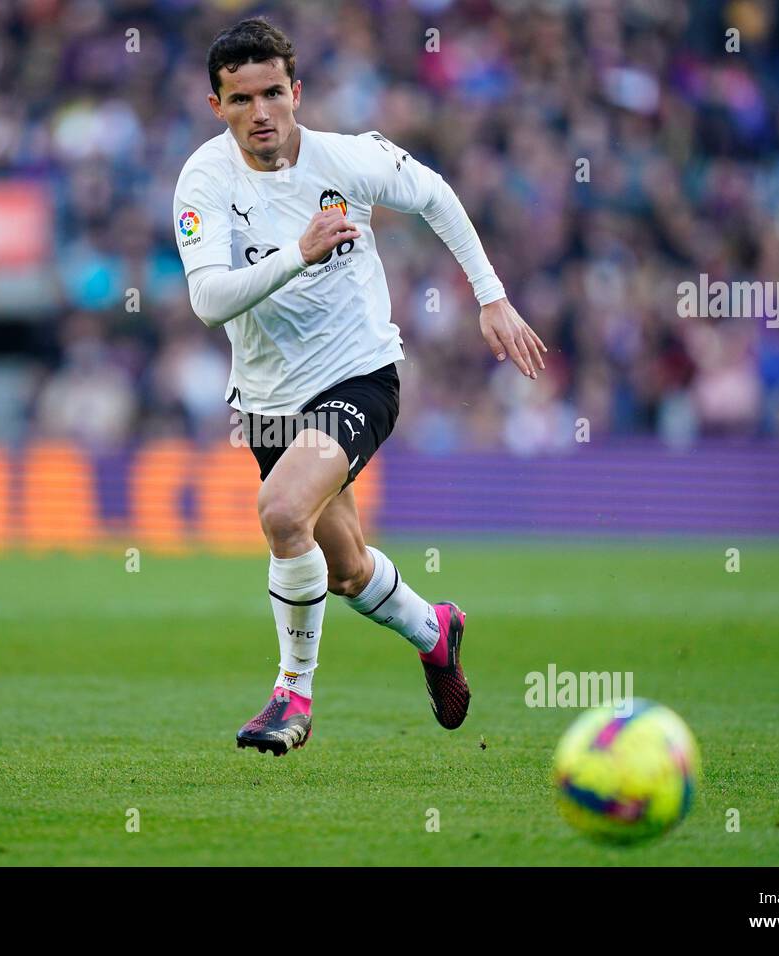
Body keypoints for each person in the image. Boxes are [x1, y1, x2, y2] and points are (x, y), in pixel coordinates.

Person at [173, 16, 546, 756]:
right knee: (343, 570)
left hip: (358, 374)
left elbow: (436, 193)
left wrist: (490, 295)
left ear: (297, 91)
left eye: (273, 93)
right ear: (217, 107)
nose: (261, 114)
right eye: (240, 100)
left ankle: (292, 696)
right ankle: (435, 631)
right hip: (267, 403)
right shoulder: (203, 180)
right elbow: (208, 300)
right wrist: (297, 254)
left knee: (282, 513)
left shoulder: (349, 159)